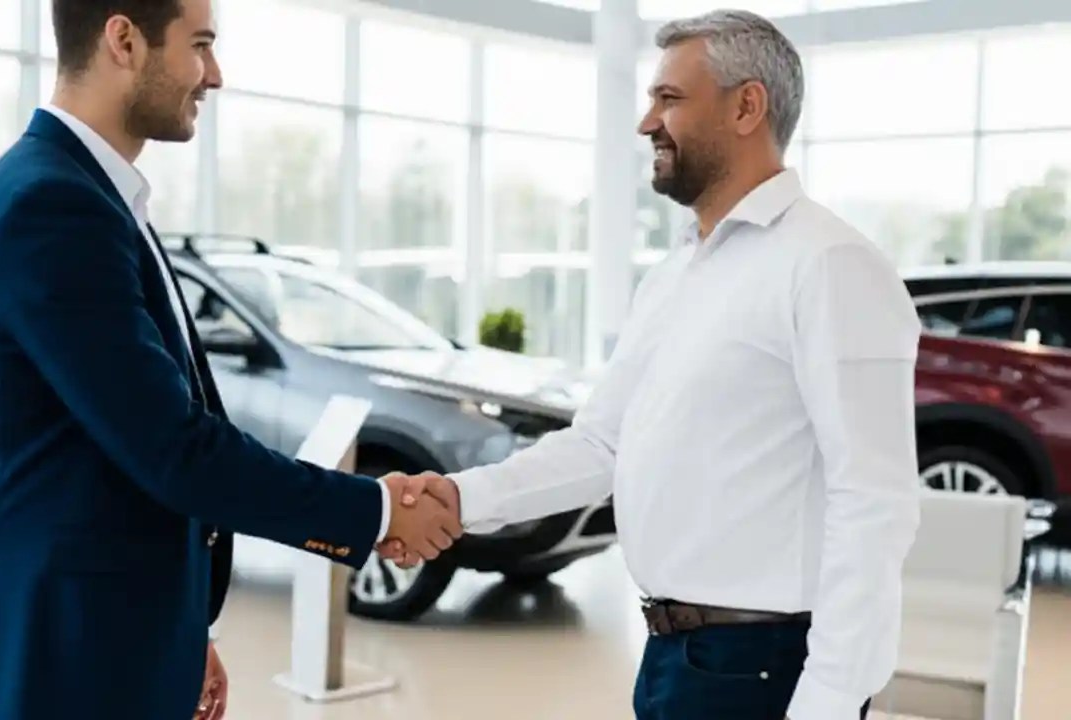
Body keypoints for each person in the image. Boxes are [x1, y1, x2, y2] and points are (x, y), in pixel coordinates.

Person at [0, 1, 460, 719]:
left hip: (102, 630)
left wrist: (182, 632)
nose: (214, 75)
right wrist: (376, 508)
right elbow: (173, 449)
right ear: (123, 40)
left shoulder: (89, 193)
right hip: (54, 653)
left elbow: (112, 449)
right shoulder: (52, 204)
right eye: (200, 45)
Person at [385, 10, 921, 720]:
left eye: (669, 98)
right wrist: (461, 500)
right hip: (676, 656)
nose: (645, 123)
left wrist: (827, 702)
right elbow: (602, 442)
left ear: (746, 105)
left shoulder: (830, 264)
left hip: (764, 667)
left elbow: (874, 503)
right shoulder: (675, 275)